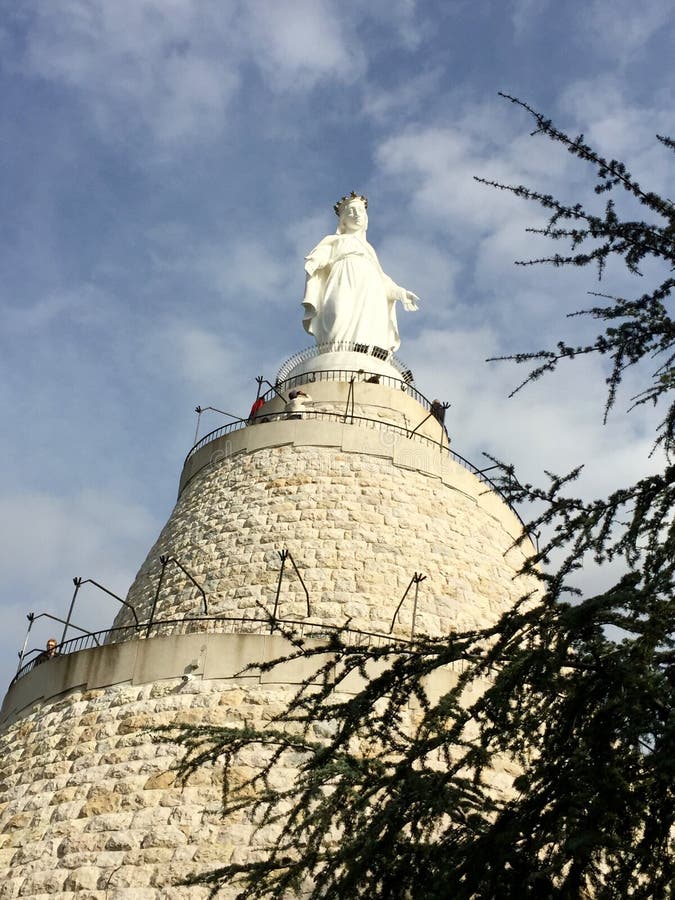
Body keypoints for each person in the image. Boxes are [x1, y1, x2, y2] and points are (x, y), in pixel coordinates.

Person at [302, 192, 419, 355]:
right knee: (338, 312)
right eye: (351, 211)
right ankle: (336, 351)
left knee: (369, 319)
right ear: (343, 219)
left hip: (370, 285)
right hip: (342, 277)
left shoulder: (369, 249)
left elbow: (382, 278)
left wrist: (400, 292)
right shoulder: (335, 241)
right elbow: (322, 254)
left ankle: (367, 353)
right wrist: (315, 261)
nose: (356, 215)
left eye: (360, 211)